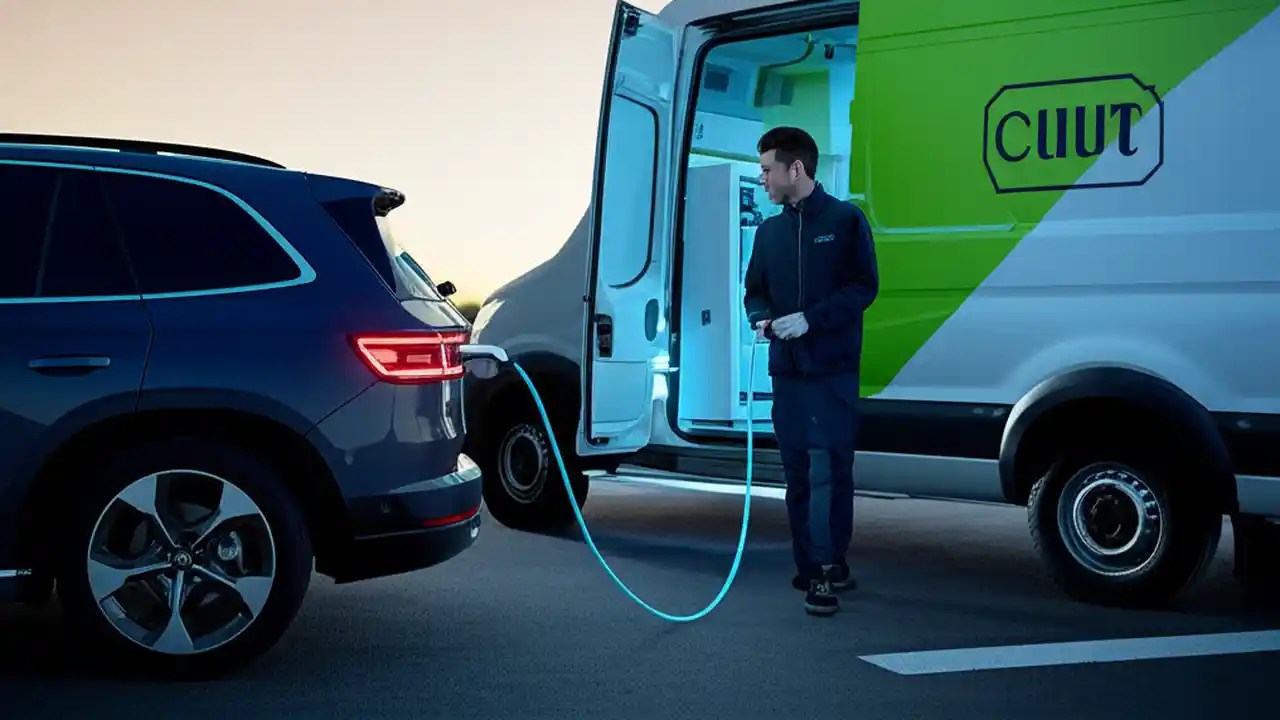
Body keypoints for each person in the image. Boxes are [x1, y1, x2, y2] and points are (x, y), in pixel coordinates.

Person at [742, 126, 879, 616]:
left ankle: (825, 567)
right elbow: (753, 291)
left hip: (833, 374)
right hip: (788, 376)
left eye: (766, 169)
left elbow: (865, 287)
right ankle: (814, 565)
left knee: (830, 471)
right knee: (798, 474)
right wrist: (760, 318)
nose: (762, 179)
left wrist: (811, 320)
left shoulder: (845, 221)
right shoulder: (769, 232)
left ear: (794, 169)